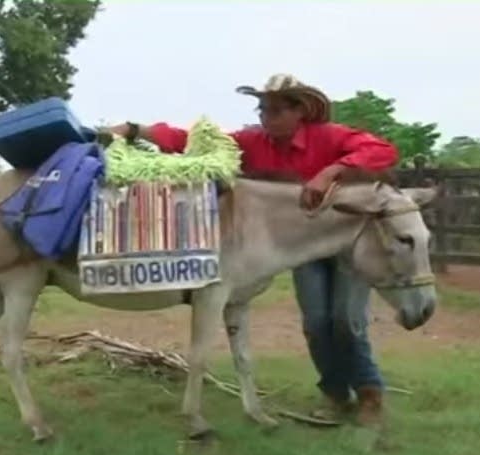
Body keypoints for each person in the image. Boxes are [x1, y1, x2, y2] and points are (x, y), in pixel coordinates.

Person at [103, 73, 398, 426]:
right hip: (304, 245)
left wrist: (332, 170)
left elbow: (383, 150)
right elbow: (194, 140)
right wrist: (136, 130)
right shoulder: (253, 142)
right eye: (262, 110)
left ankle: (369, 393)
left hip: (346, 239)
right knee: (318, 323)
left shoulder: (330, 137)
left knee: (346, 320)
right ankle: (335, 395)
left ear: (299, 111)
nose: (265, 117)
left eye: (274, 110)